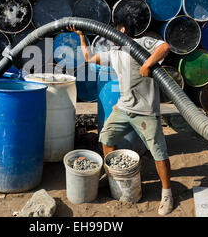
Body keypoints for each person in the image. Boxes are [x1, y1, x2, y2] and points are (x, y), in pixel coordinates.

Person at [68, 22, 174, 215]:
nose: (108, 36)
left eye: (111, 31)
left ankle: (167, 193)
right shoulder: (115, 53)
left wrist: (148, 63)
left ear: (122, 30)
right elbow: (90, 58)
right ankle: (113, 179)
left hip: (146, 110)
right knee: (106, 137)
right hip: (123, 107)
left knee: (158, 151)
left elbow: (165, 47)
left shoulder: (142, 42)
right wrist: (81, 36)